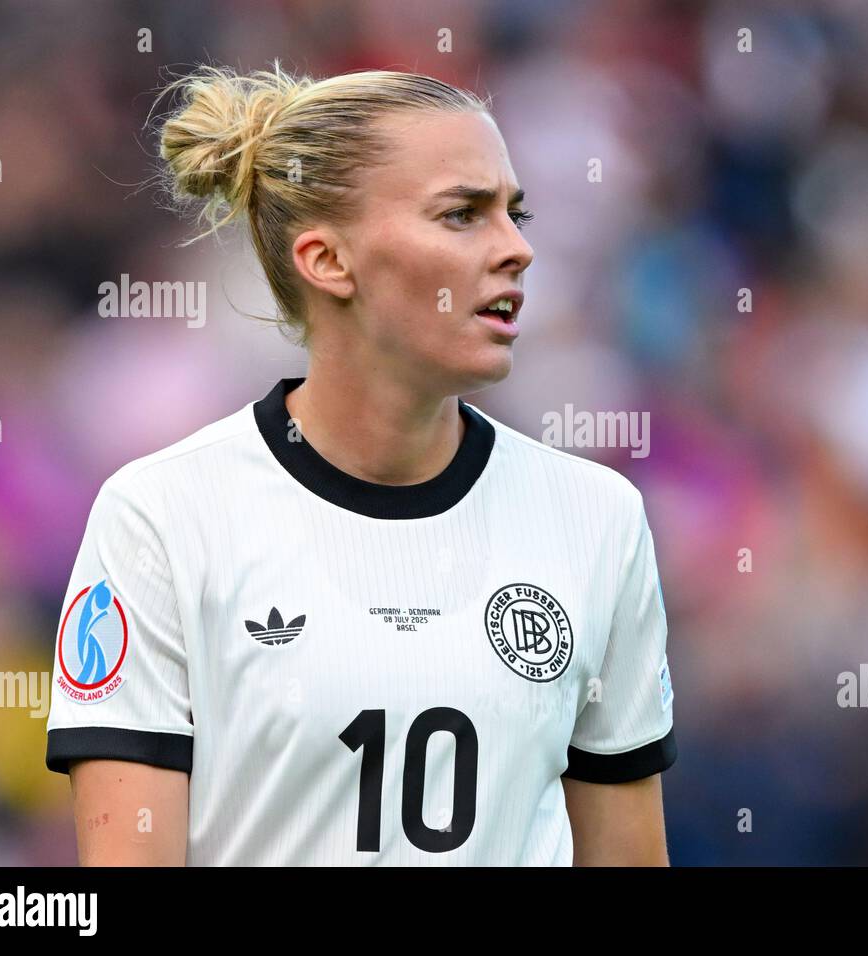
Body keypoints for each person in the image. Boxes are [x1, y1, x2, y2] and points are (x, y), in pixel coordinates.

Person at [44, 62, 677, 865]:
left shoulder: (597, 517)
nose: (517, 250)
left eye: (514, 214)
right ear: (328, 261)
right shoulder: (162, 516)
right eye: (462, 215)